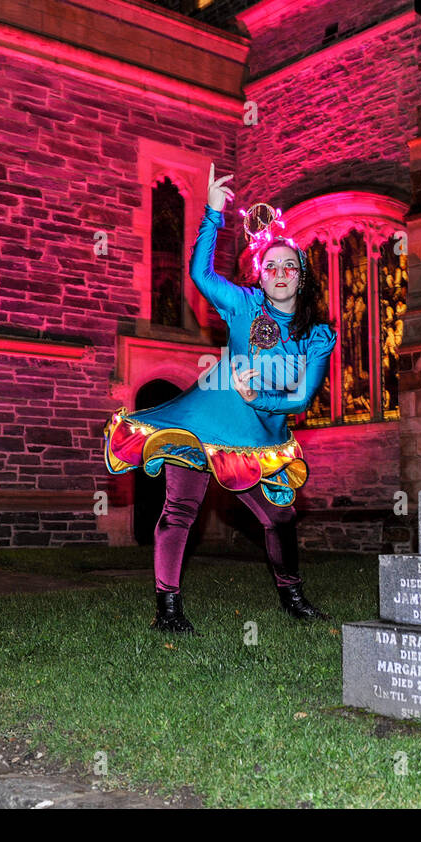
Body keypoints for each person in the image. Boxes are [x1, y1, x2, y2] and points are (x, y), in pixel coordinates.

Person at [103, 162, 338, 633]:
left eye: (288, 266)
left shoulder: (318, 334)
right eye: (269, 266)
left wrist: (262, 397)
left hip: (254, 438)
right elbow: (200, 273)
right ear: (261, 275)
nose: (278, 273)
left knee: (281, 516)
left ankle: (293, 598)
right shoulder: (243, 304)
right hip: (200, 424)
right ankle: (167, 610)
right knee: (179, 512)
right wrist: (212, 213)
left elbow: (304, 397)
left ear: (302, 276)